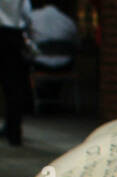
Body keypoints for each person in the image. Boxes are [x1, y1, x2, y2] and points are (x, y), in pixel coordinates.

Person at [0, 0, 32, 146]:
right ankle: (14, 133)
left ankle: (10, 129)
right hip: (13, 34)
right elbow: (27, 14)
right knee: (13, 86)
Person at [29, 2, 76, 71]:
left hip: (39, 65)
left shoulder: (31, 18)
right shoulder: (69, 21)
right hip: (65, 66)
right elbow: (76, 44)